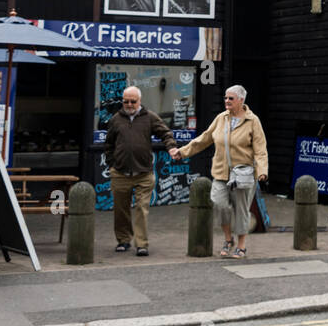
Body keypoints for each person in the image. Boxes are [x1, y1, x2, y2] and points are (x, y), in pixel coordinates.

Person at [171, 84, 268, 259]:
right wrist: (182, 152)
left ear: (241, 100)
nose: (227, 101)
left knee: (241, 210)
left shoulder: (253, 121)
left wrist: (262, 171)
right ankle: (228, 239)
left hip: (243, 174)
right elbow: (204, 139)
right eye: (225, 98)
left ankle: (241, 246)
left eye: (231, 98)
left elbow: (261, 149)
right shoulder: (221, 118)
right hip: (221, 172)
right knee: (219, 203)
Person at [104, 85, 176, 256]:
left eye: (132, 101)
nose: (129, 104)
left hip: (143, 173)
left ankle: (142, 244)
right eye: (125, 101)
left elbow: (166, 133)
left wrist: (171, 147)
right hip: (120, 172)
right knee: (120, 210)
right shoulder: (116, 119)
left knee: (141, 208)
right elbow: (109, 144)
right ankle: (123, 240)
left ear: (140, 101)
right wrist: (111, 164)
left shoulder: (149, 117)